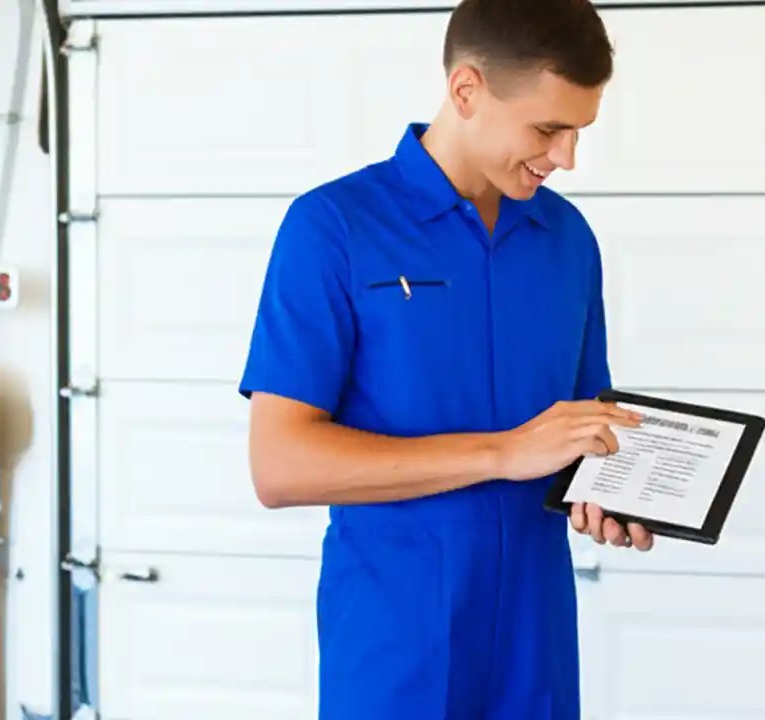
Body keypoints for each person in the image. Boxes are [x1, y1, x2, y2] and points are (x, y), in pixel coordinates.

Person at [237, 1, 652, 717]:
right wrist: (500, 453)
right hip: (396, 644)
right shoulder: (332, 227)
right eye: (548, 129)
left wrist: (614, 490)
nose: (567, 158)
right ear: (467, 91)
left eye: (579, 132)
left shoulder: (567, 238)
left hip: (537, 640)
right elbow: (280, 466)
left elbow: (582, 429)